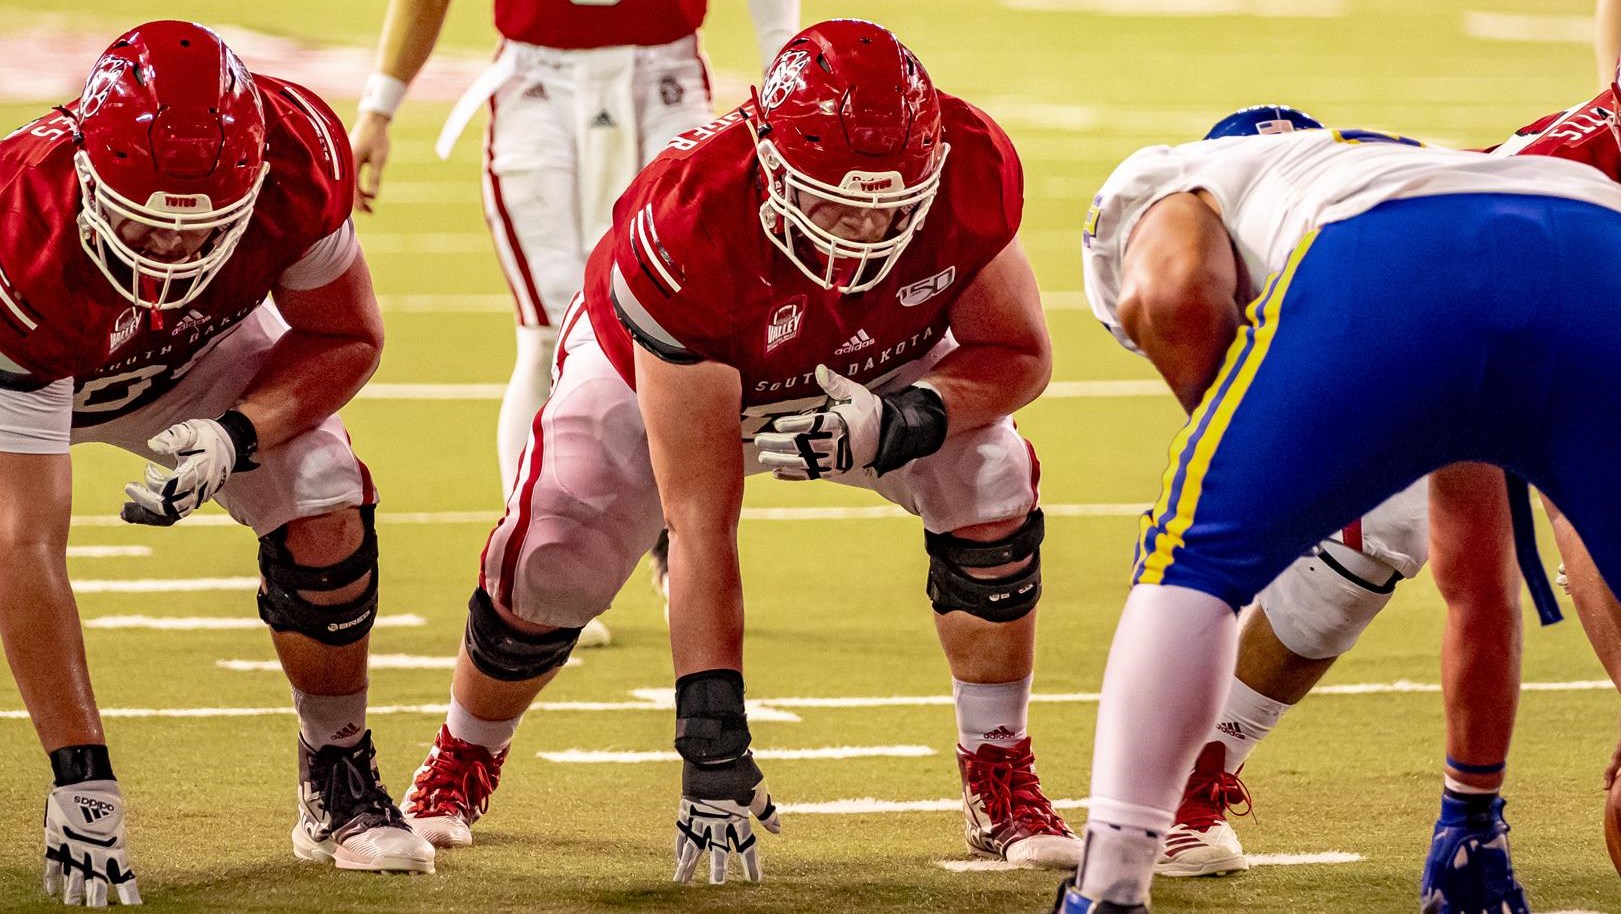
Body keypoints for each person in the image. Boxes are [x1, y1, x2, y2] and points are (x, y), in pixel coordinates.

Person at [396, 19, 1087, 880]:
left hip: (877, 360)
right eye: (834, 197)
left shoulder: (969, 169)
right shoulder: (690, 217)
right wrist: (711, 747)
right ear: (766, 155)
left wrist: (905, 418)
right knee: (555, 553)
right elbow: (700, 523)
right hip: (666, 366)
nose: (862, 227)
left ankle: (999, 772)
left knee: (990, 477)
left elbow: (1018, 356)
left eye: (887, 201)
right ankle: (464, 755)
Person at [1056, 128, 1621, 913]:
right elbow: (1480, 591)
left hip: (1390, 259)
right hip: (1593, 240)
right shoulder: (1416, 169)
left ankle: (1109, 885)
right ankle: (1471, 841)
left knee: (1190, 557)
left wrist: (1241, 465)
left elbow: (1168, 294)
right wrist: (1471, 814)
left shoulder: (1189, 180)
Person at [0, 21, 435, 905]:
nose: (170, 248)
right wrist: (82, 778)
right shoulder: (19, 233)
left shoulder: (296, 156)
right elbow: (25, 545)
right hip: (43, 364)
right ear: (86, 168)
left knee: (324, 499)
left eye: (201, 229)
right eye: (143, 221)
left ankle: (339, 774)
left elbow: (346, 335)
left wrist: (238, 433)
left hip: (201, 352)